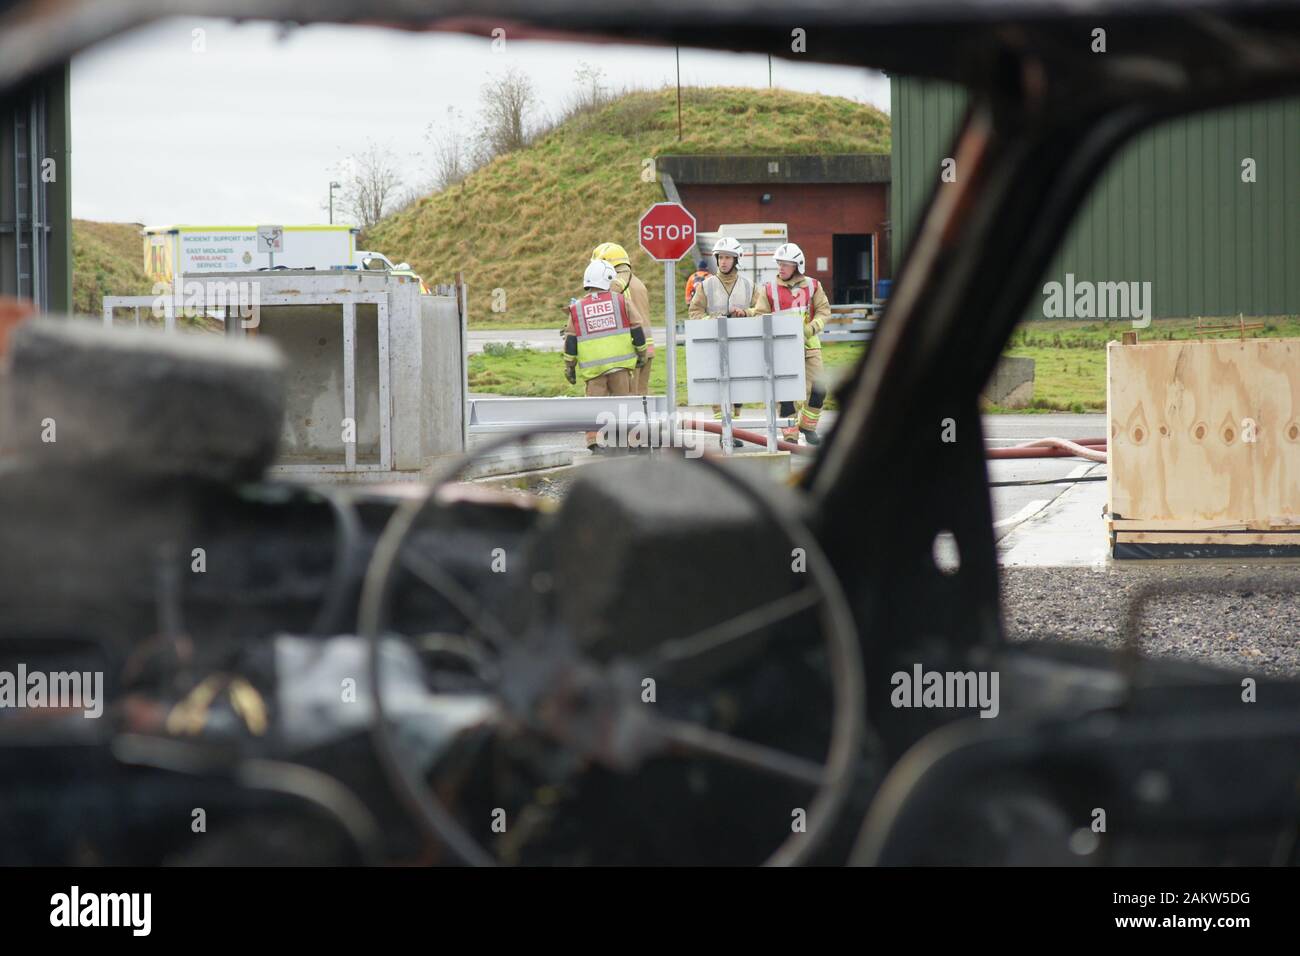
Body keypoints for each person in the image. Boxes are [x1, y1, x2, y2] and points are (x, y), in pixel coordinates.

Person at [748, 242, 830, 445]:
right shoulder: (768, 289)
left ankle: (808, 427)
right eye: (779, 264)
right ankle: (790, 435)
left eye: (785, 264)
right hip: (782, 348)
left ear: (798, 266)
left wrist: (810, 329)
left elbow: (824, 311)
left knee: (819, 389)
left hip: (810, 345)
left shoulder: (813, 285)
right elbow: (760, 315)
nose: (781, 268)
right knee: (786, 395)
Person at [564, 259, 647, 452]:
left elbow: (570, 341)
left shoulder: (577, 308)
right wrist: (641, 353)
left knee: (594, 406)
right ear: (608, 278)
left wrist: (569, 367)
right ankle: (629, 442)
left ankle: (593, 441)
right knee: (624, 404)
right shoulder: (621, 301)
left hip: (593, 372)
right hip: (620, 367)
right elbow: (637, 329)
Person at [689, 237, 753, 446]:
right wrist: (710, 320)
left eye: (728, 257)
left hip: (741, 346)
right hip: (714, 346)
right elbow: (695, 312)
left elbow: (762, 310)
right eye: (721, 257)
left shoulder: (749, 285)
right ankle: (723, 433)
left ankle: (732, 430)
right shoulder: (706, 286)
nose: (723, 261)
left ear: (737, 260)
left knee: (738, 390)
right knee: (718, 389)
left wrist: (745, 312)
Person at [591, 242, 653, 397]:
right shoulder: (637, 282)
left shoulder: (615, 284)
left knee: (627, 402)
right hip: (647, 348)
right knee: (641, 397)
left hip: (631, 351)